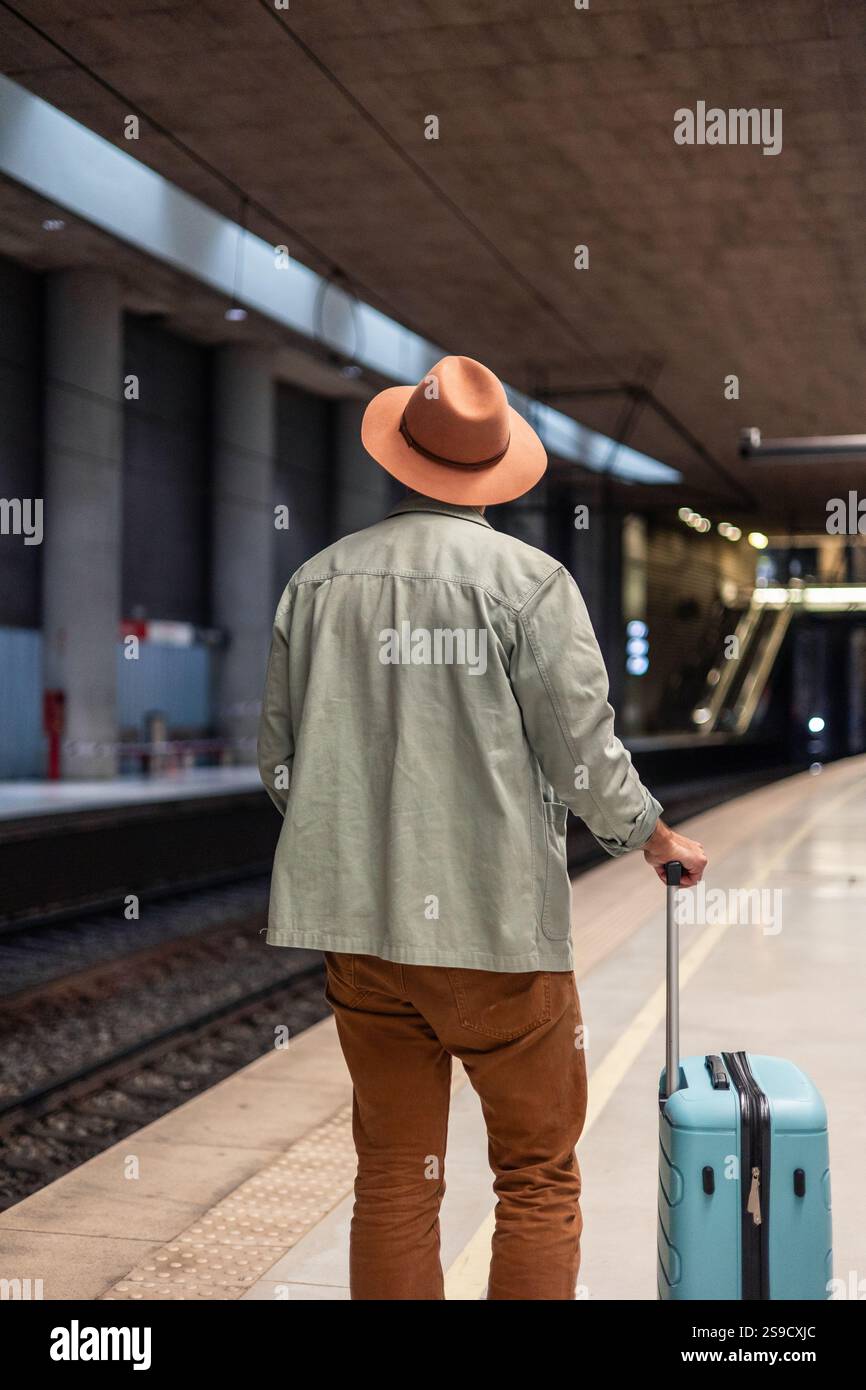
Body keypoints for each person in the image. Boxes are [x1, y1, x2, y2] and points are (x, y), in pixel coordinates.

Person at [258, 354, 707, 1300]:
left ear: (404, 460)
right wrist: (654, 837)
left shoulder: (316, 583)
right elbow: (580, 753)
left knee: (390, 1177)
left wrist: (359, 841)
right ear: (491, 473)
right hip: (496, 937)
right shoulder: (529, 585)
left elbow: (280, 765)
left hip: (361, 941)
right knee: (536, 1175)